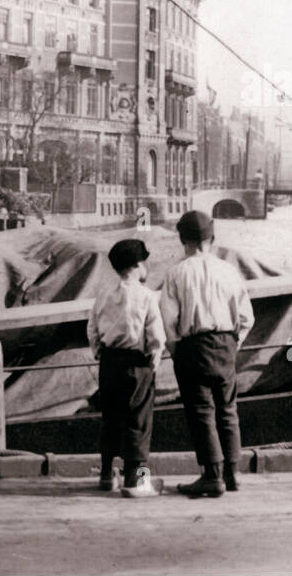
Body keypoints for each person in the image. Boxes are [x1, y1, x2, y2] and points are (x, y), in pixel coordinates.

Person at [159, 210, 254, 498]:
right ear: (213, 238)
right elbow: (247, 317)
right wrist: (231, 345)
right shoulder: (229, 271)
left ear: (182, 240)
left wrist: (177, 351)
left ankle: (212, 476)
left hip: (192, 347)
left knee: (201, 411)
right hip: (225, 343)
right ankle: (232, 474)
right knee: (228, 409)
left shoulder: (176, 273)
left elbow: (168, 321)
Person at [88, 238, 165, 499]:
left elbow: (92, 329)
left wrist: (101, 353)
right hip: (136, 363)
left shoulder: (104, 295)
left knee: (110, 418)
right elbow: (155, 334)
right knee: (138, 421)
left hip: (109, 362)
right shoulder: (147, 296)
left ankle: (107, 474)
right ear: (139, 265)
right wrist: (154, 358)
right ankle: (136, 480)